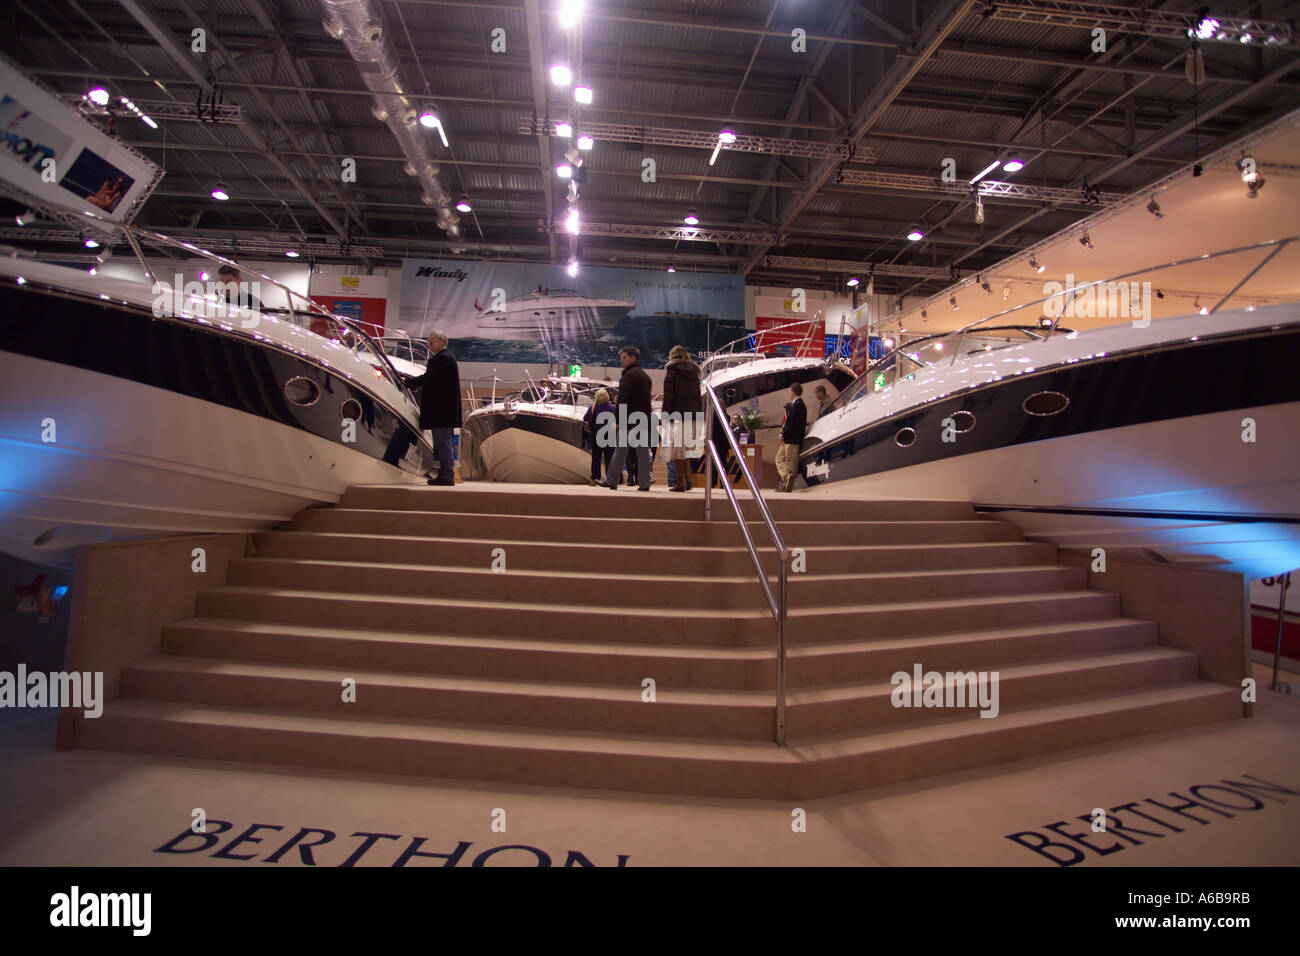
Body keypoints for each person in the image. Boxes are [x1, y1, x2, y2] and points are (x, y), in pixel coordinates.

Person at [392, 330, 461, 485]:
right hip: (443, 411)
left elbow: (430, 378)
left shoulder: (443, 359)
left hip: (442, 411)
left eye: (433, 340)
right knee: (442, 442)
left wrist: (408, 383)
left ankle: (447, 476)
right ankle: (445, 474)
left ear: (442, 342)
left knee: (443, 443)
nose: (429, 343)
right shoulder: (445, 358)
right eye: (429, 340)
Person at [603, 346, 652, 492]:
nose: (621, 361)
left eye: (624, 357)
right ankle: (644, 483)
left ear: (633, 357)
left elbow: (623, 399)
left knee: (620, 451)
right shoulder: (645, 376)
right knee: (643, 454)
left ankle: (611, 481)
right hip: (643, 420)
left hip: (628, 421)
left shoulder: (629, 376)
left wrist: (618, 420)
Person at [661, 345, 702, 492]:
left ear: (672, 356)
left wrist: (664, 416)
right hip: (693, 416)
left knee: (677, 451)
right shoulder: (694, 374)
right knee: (687, 451)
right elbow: (698, 396)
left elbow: (668, 397)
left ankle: (680, 482)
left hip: (677, 415)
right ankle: (688, 480)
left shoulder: (672, 372)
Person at [775, 382, 807, 493]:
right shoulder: (795, 405)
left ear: (793, 391)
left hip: (792, 439)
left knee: (791, 462)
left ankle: (787, 484)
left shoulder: (798, 405)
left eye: (790, 391)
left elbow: (792, 423)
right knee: (779, 459)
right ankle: (787, 478)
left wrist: (783, 433)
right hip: (788, 439)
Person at [583, 388, 616, 485]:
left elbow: (585, 418)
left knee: (596, 458)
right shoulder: (613, 408)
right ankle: (610, 479)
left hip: (596, 435)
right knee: (609, 458)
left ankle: (594, 479)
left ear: (596, 397)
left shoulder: (593, 407)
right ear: (607, 397)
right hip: (610, 435)